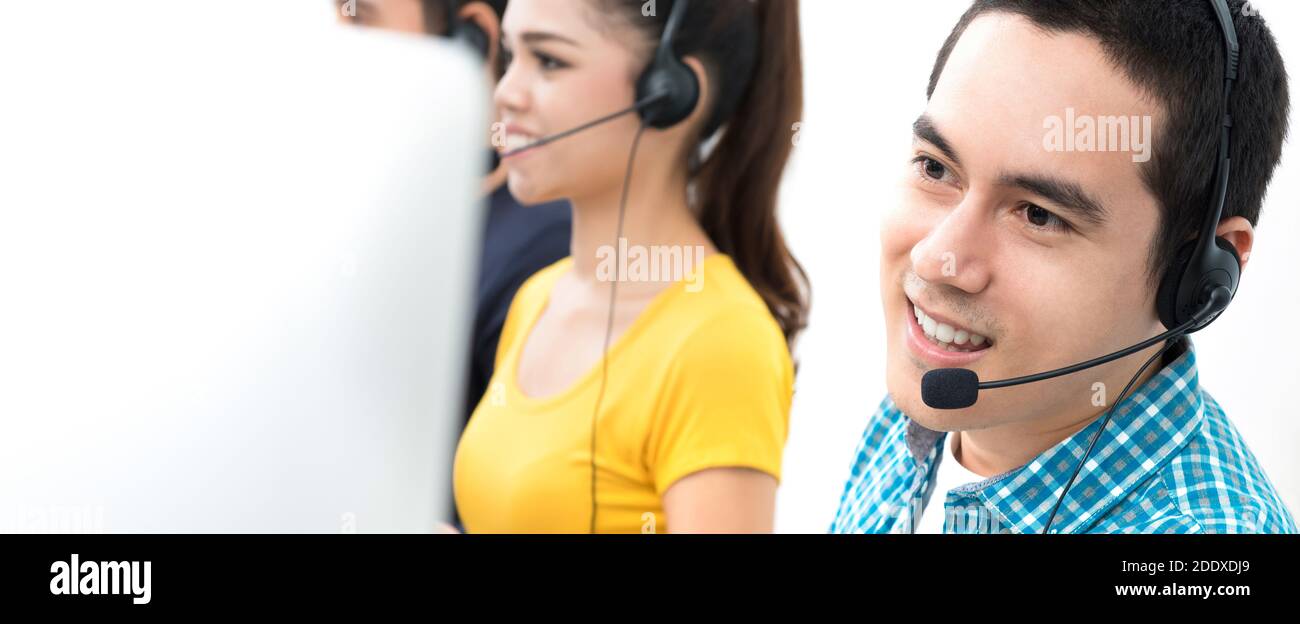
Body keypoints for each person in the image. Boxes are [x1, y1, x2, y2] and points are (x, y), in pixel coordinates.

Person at [831, 0, 1295, 534]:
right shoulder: (920, 419)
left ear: (1197, 276)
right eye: (936, 168)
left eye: (1038, 215)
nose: (937, 260)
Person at [452, 0, 809, 533]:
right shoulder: (538, 299)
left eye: (549, 61)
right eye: (509, 54)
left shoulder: (720, 342)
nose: (505, 91)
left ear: (668, 93)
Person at [336, 0, 573, 424]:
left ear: (471, 40)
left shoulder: (541, 253)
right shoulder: (380, 217)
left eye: (358, 17)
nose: (336, 43)